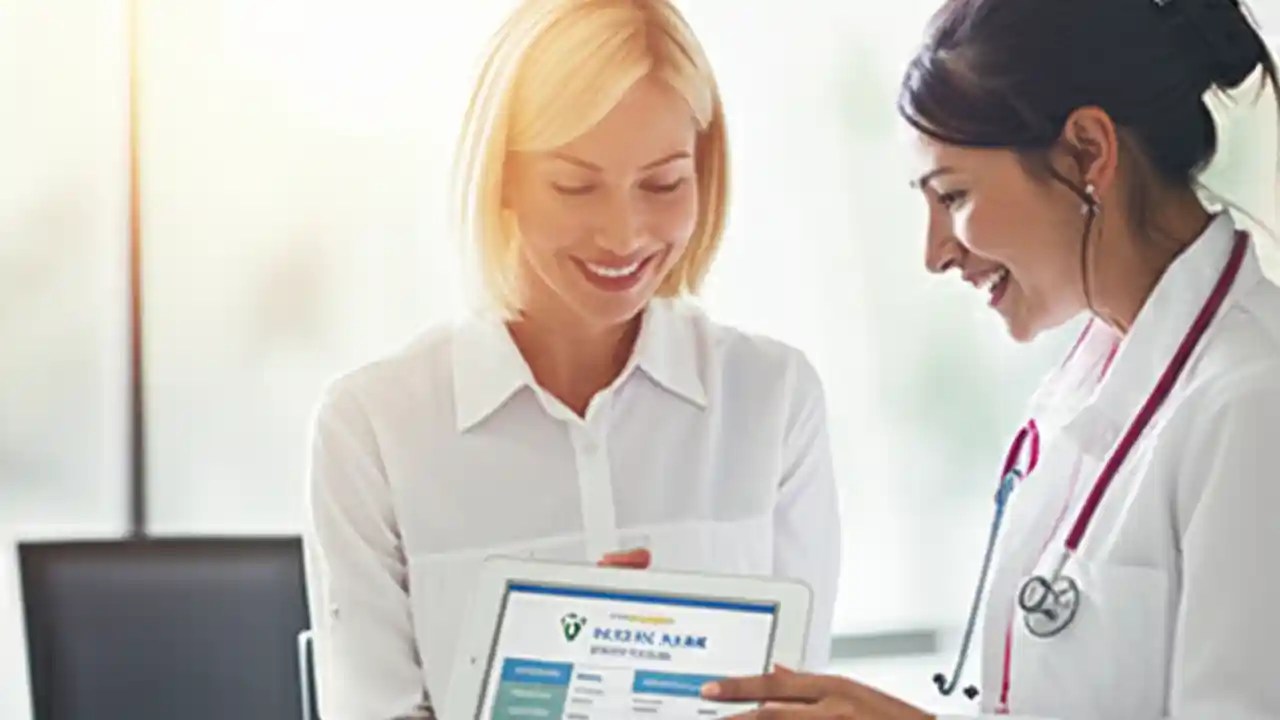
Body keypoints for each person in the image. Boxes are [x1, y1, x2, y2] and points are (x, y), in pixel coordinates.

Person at [703, 0, 1280, 718]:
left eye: (955, 195)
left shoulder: (1253, 404)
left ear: (1087, 152)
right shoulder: (1097, 381)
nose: (934, 251)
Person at [302, 1, 841, 717]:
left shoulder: (772, 399)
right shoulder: (372, 428)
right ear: (501, 179)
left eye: (663, 184)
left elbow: (796, 696)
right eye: (575, 186)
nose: (623, 234)